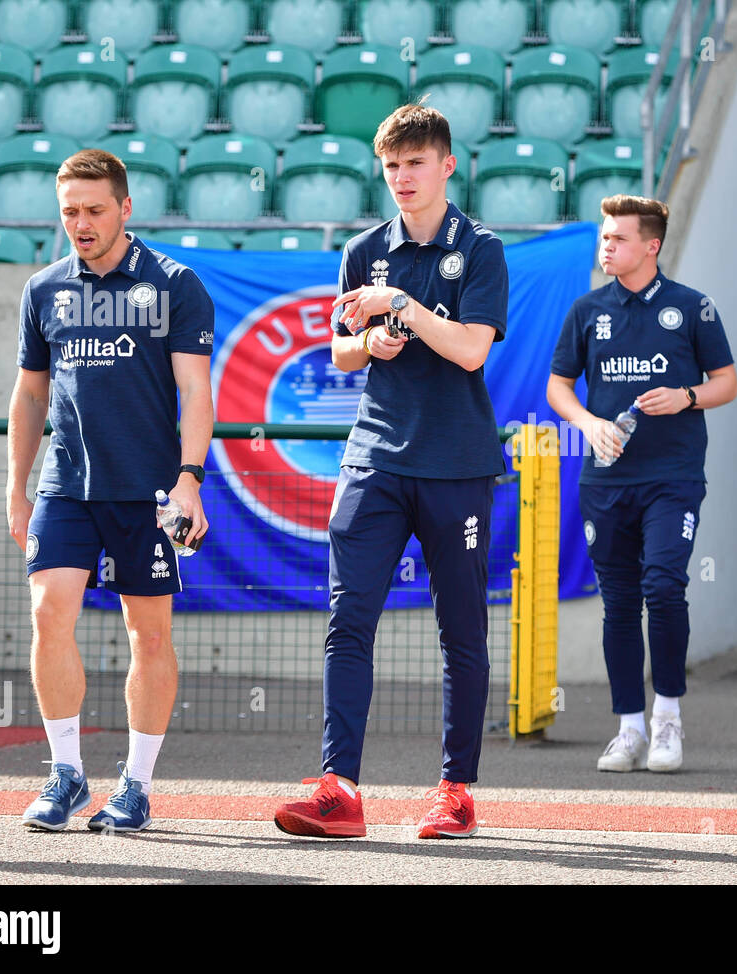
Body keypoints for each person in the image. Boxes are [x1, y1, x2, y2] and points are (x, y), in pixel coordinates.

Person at [273, 103, 508, 839]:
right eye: (391, 166)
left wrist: (402, 304)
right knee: (349, 620)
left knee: (461, 631)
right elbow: (339, 350)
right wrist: (371, 341)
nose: (402, 178)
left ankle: (455, 791)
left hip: (457, 465)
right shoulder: (362, 250)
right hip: (373, 456)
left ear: (447, 165)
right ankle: (339, 786)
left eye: (415, 163)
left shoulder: (482, 249)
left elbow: (471, 351)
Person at [7, 149, 214, 832]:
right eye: (70, 211)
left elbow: (194, 388)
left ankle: (136, 785)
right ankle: (66, 774)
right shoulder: (44, 290)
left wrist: (190, 481)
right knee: (48, 612)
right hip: (66, 485)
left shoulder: (175, 285)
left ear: (126, 208)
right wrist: (17, 488)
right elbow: (31, 393)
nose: (81, 223)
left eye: (95, 210)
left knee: (148, 635)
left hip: (148, 491)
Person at [547, 195, 737, 774]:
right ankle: (628, 728)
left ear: (650, 246)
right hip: (605, 482)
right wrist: (589, 424)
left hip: (672, 478)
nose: (606, 246)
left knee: (663, 588)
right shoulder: (586, 310)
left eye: (618, 238)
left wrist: (686, 396)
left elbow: (727, 382)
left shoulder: (692, 308)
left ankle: (668, 718)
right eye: (604, 237)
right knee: (621, 603)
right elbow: (558, 388)